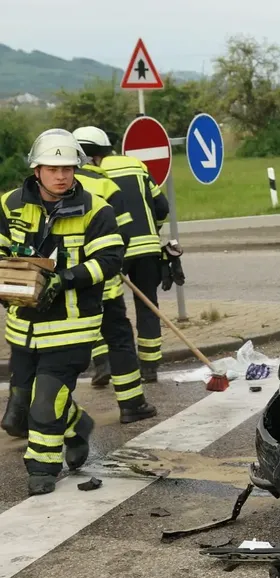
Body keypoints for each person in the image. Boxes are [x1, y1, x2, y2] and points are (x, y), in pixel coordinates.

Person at [0, 129, 124, 495]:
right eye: (53, 168)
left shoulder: (96, 210)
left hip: (72, 328)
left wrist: (65, 279)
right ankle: (78, 424)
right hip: (23, 329)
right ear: (36, 170)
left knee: (44, 405)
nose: (61, 176)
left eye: (68, 168)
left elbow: (110, 260)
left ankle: (42, 469)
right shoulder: (10, 205)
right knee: (17, 415)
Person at [72, 125, 171, 382]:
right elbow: (161, 207)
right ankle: (149, 366)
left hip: (110, 250)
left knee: (100, 303)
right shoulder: (136, 165)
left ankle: (103, 363)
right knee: (148, 304)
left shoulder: (86, 176)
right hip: (147, 247)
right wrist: (154, 230)